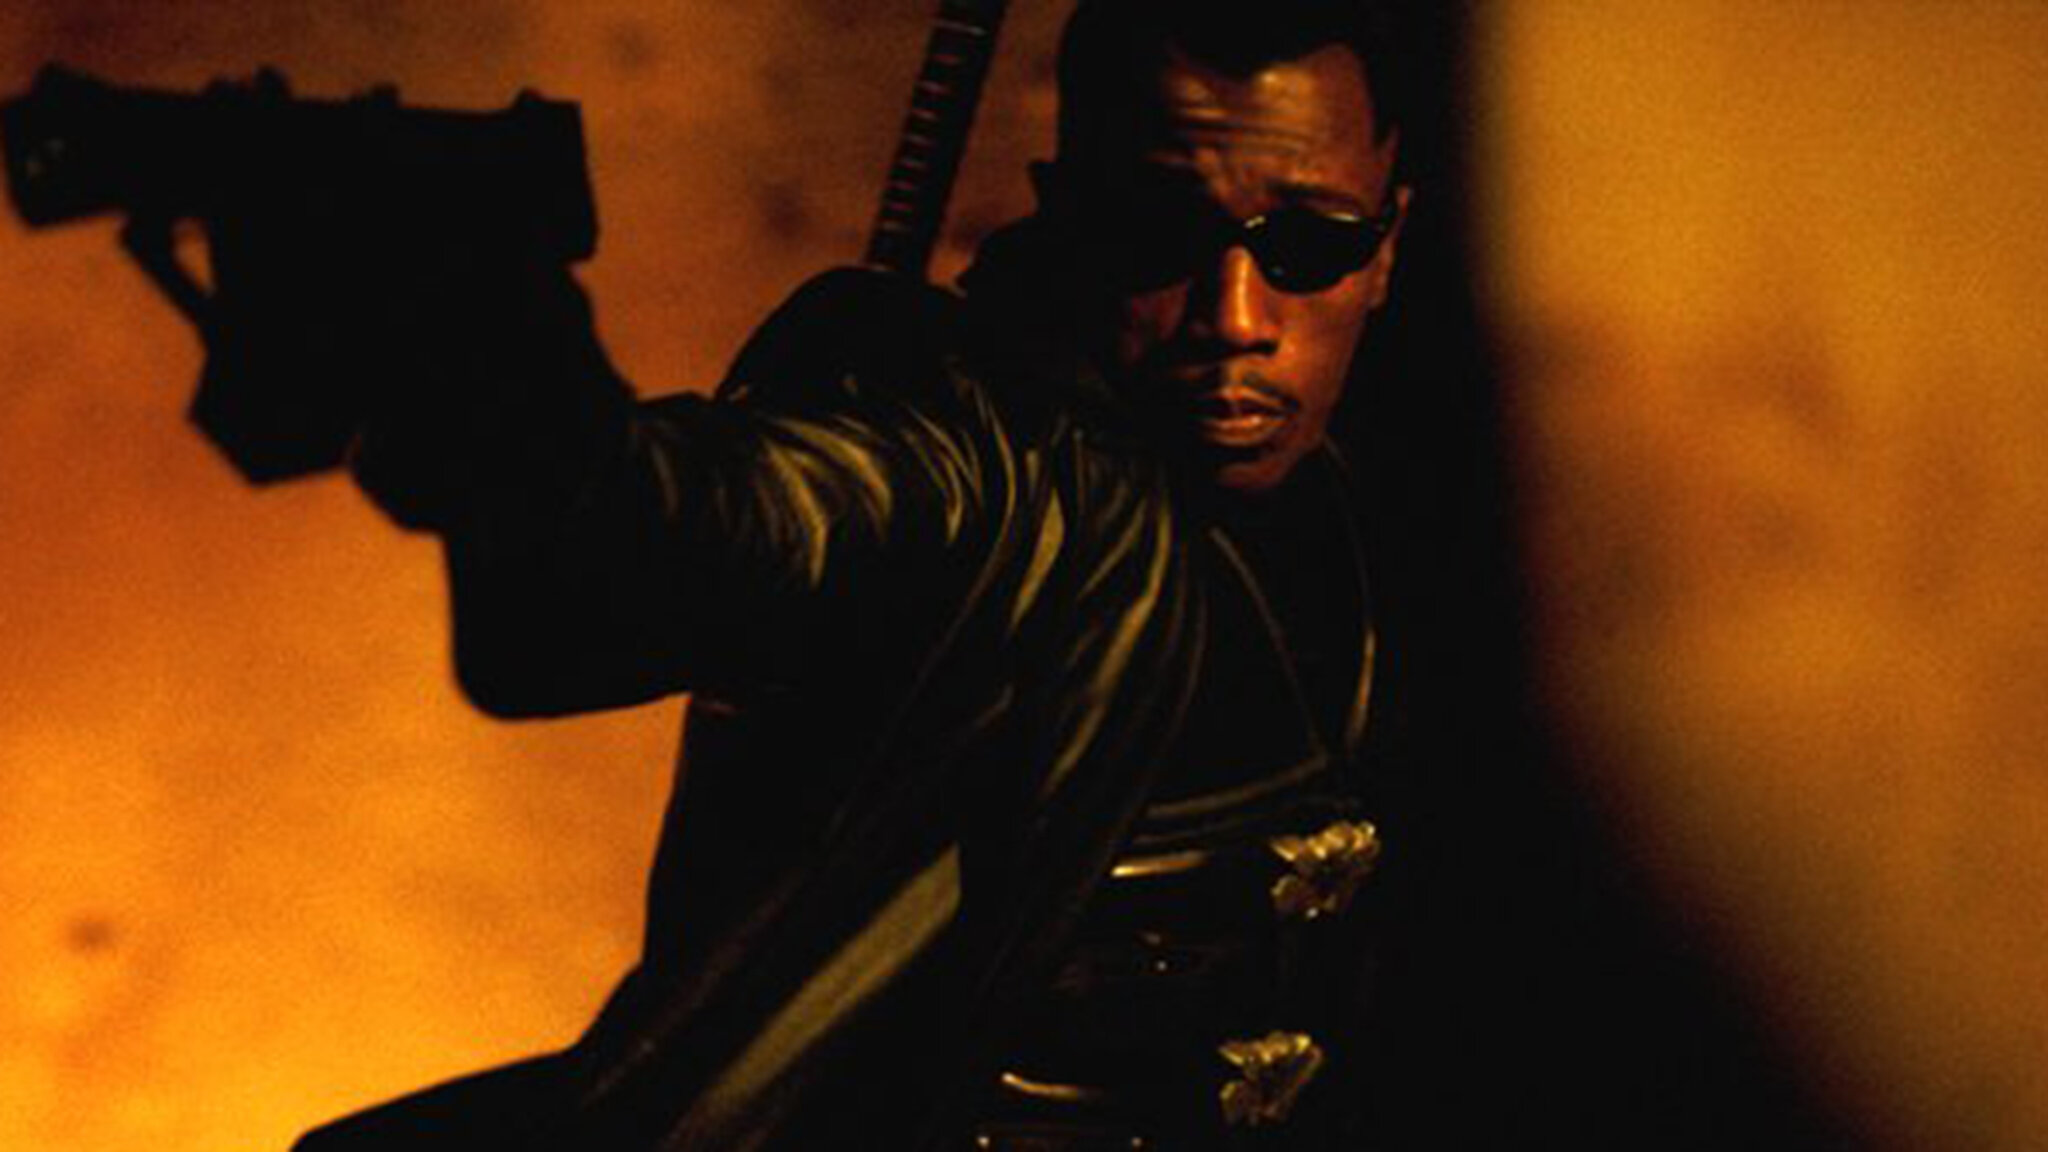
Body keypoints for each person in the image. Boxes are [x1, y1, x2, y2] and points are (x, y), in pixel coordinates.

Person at [294, 1, 1414, 1148]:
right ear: (1068, 212)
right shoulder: (980, 465)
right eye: (1156, 231)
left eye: (1308, 244)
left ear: (1385, 246)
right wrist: (490, 335)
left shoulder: (1340, 510)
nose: (1233, 319)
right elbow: (706, 525)